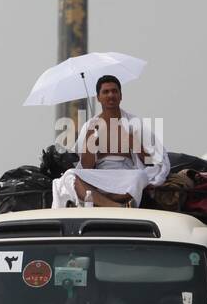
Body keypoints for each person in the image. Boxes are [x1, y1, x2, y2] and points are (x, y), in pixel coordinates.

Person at [51, 75, 170, 208]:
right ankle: (116, 206)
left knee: (140, 177)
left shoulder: (134, 124)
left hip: (126, 175)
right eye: (106, 92)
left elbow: (152, 162)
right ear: (98, 98)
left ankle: (101, 200)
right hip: (100, 177)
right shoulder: (90, 126)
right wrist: (91, 141)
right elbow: (86, 167)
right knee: (70, 176)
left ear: (121, 96)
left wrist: (134, 144)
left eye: (114, 91)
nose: (111, 95)